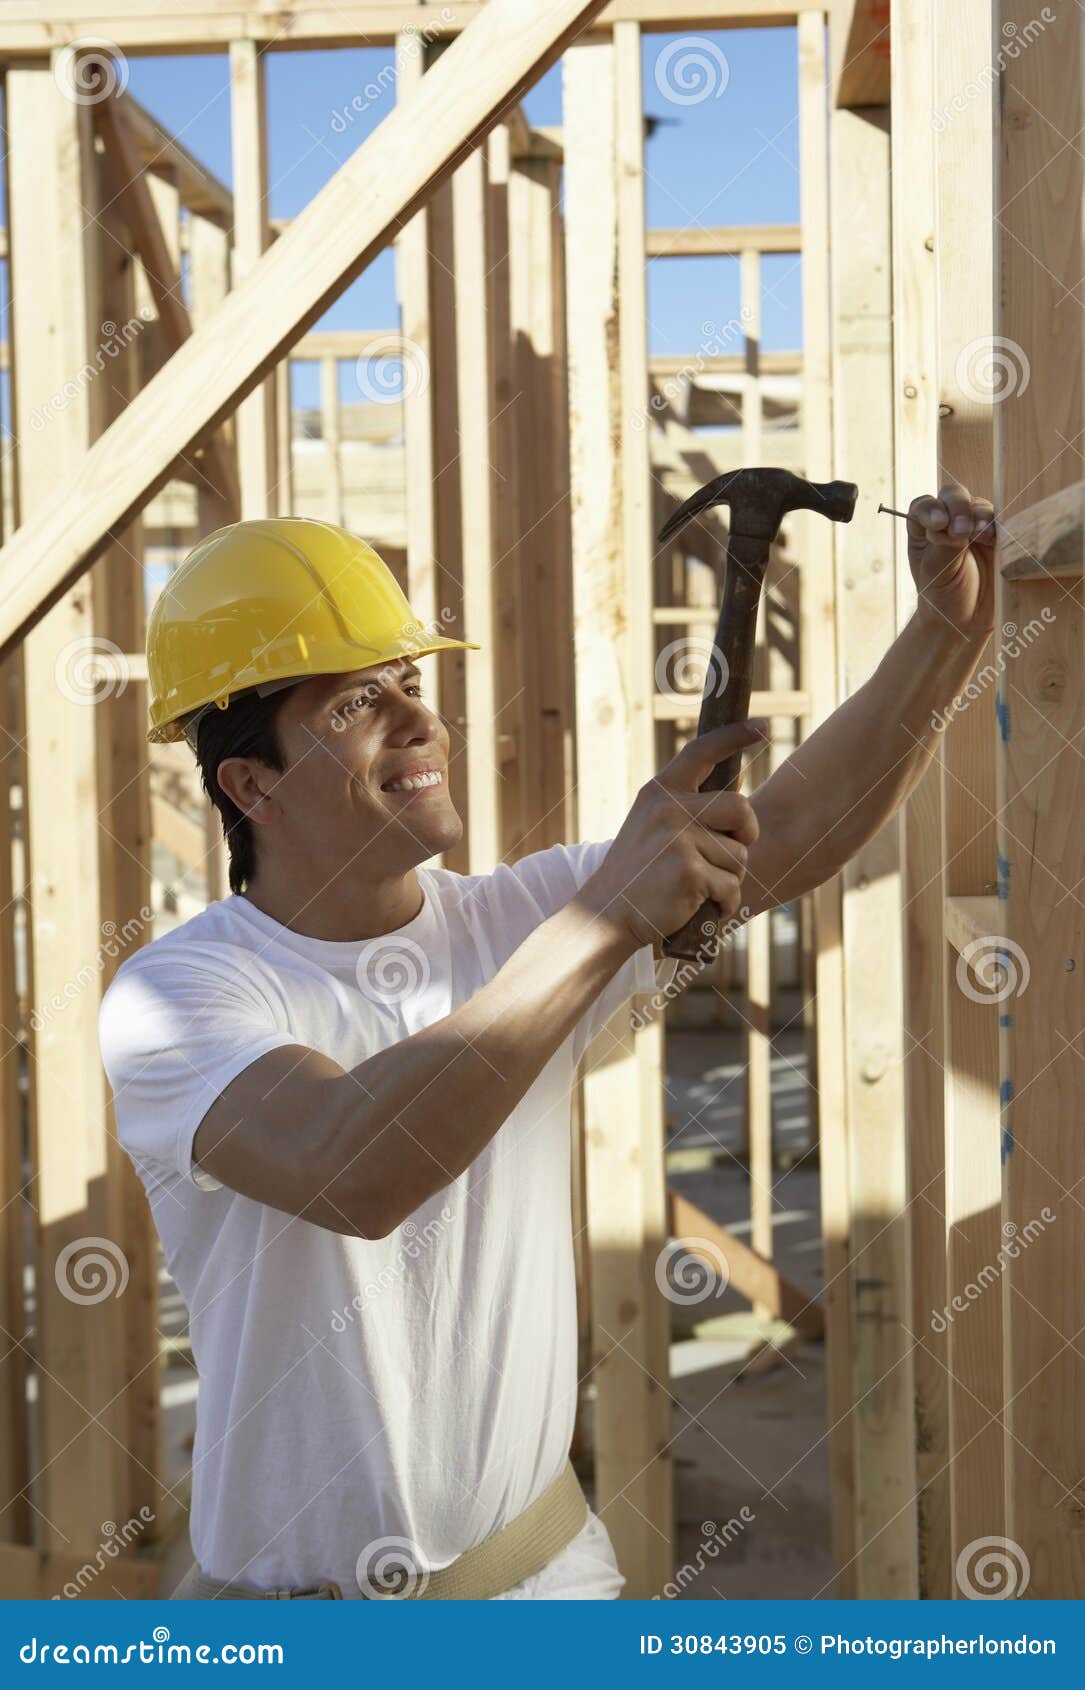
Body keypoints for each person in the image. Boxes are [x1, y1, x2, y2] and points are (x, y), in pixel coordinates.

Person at [99, 485, 996, 1600]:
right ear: (250, 783)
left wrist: (946, 633)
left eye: (413, 685)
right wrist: (606, 917)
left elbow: (795, 828)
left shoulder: (517, 921)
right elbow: (353, 1164)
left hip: (535, 1582)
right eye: (352, 704)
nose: (418, 720)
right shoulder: (177, 994)